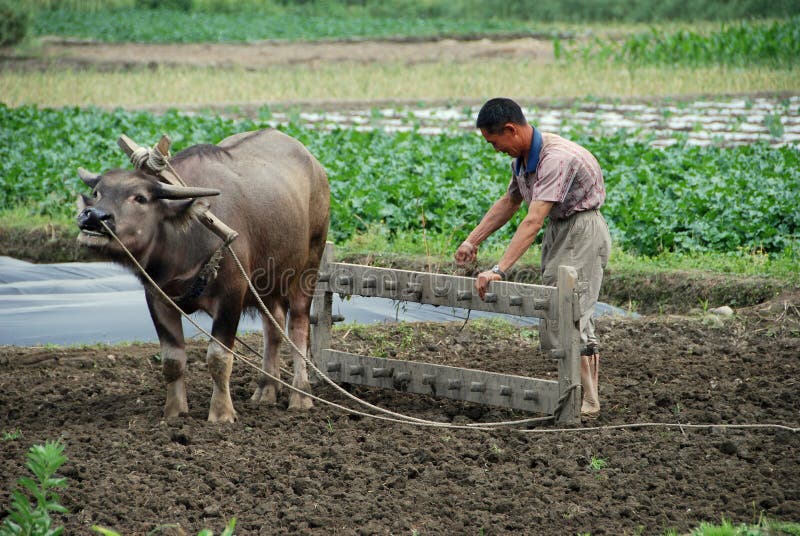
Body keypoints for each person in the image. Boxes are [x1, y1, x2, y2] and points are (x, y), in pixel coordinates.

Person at [454, 97, 611, 418]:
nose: (495, 149)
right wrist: (473, 240)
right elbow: (510, 201)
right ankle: (581, 395)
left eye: (494, 142)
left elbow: (533, 219)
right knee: (562, 309)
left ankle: (587, 401)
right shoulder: (524, 160)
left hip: (581, 230)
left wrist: (499, 269)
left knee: (569, 310)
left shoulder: (556, 159)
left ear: (511, 129)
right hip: (561, 230)